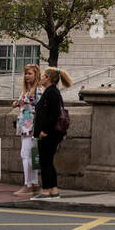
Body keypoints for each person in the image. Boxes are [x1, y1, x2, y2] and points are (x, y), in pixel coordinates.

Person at [31, 67, 71, 200]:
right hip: (51, 134)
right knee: (48, 162)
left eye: (43, 75)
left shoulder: (51, 93)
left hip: (49, 134)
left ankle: (46, 191)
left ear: (47, 78)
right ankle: (54, 190)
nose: (41, 77)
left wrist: (44, 131)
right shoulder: (50, 91)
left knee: (45, 162)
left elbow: (54, 115)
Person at [11, 64, 41, 196]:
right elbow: (21, 101)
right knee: (32, 155)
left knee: (26, 155)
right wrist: (17, 102)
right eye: (26, 73)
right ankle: (34, 183)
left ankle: (28, 185)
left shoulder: (38, 90)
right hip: (25, 125)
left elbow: (38, 104)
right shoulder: (26, 89)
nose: (27, 76)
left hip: (31, 125)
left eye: (30, 73)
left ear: (36, 75)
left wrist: (23, 102)